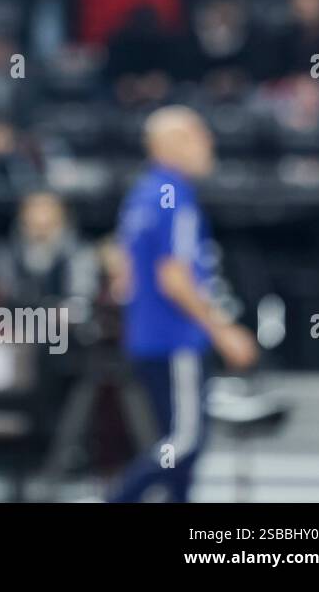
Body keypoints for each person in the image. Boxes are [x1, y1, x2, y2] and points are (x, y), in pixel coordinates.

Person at [108, 106, 260, 502]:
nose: (209, 143)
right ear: (172, 142)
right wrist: (224, 331)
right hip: (176, 339)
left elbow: (122, 269)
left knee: (179, 453)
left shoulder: (142, 192)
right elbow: (173, 276)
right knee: (185, 441)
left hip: (146, 337)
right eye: (200, 134)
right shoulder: (174, 195)